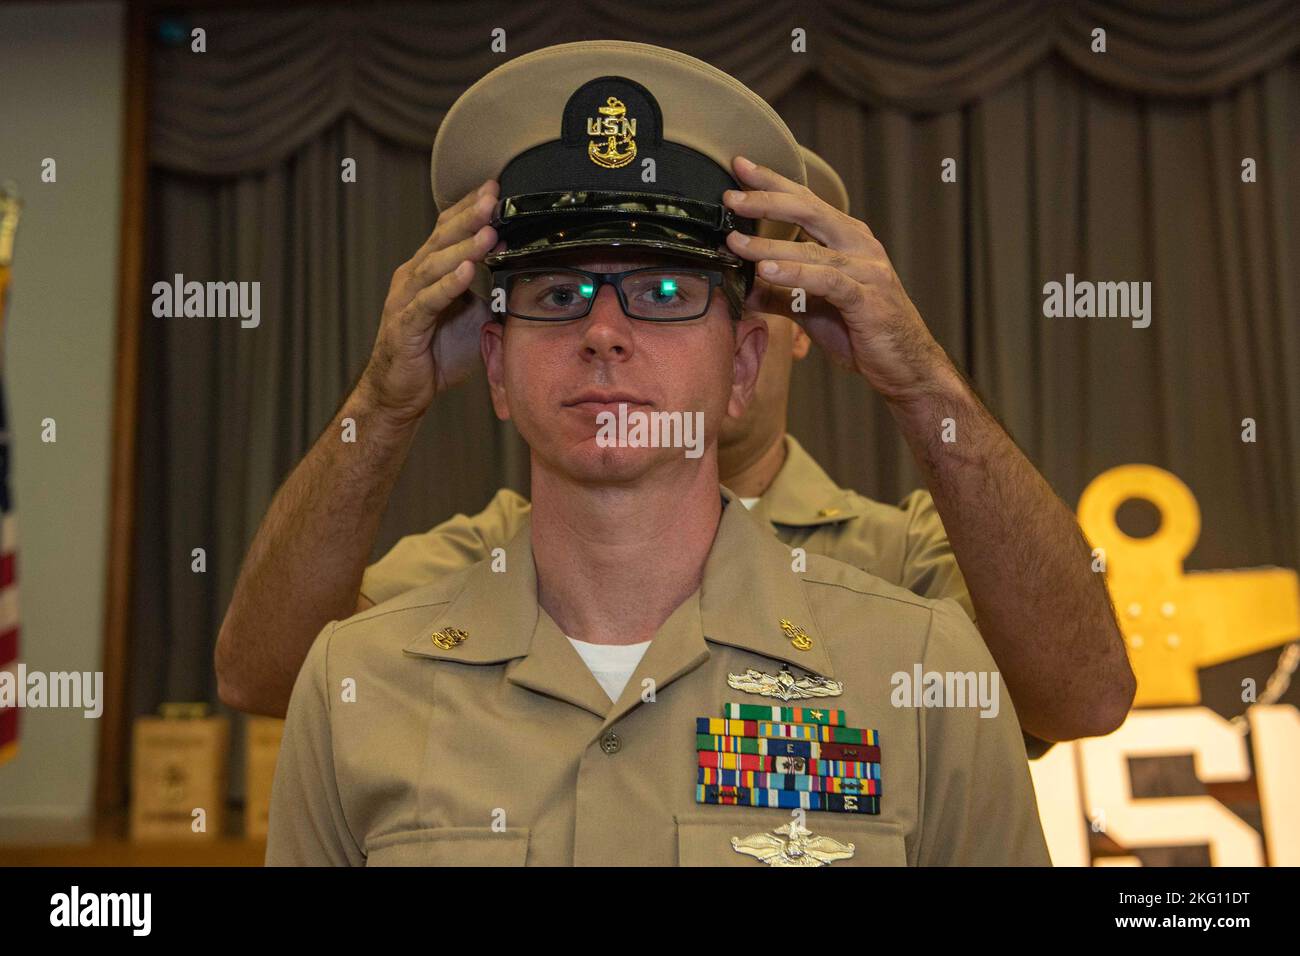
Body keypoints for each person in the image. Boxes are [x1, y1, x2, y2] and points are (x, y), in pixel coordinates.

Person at [266, 40, 1051, 866]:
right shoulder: (358, 676)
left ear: (743, 364)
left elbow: (1084, 692)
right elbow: (259, 672)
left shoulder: (919, 662)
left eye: (666, 293)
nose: (603, 333)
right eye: (560, 294)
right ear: (496, 366)